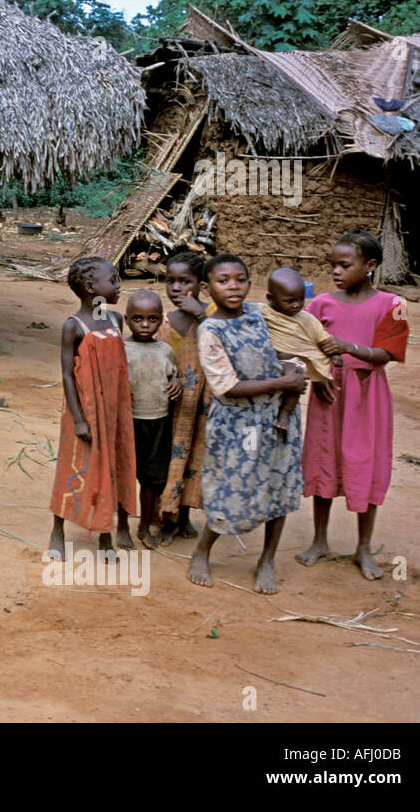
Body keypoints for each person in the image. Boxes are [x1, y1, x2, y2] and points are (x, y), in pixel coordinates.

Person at [187, 254, 307, 595]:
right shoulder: (210, 329)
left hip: (277, 420)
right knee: (230, 486)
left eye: (240, 279)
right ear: (207, 289)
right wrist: (284, 383)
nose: (234, 286)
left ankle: (267, 559)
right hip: (240, 427)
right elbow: (227, 386)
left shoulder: (260, 314)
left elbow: (290, 346)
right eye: (224, 281)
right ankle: (202, 550)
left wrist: (293, 365)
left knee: (277, 486)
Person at [296, 231, 409, 580]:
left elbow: (387, 354)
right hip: (329, 393)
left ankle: (363, 547)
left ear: (370, 265)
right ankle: (319, 540)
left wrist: (347, 347)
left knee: (366, 464)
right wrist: (319, 376)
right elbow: (306, 347)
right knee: (323, 459)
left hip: (367, 396)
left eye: (345, 265)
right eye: (333, 265)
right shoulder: (321, 305)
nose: (336, 271)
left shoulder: (392, 305)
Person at [47, 257, 137, 560]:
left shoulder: (116, 321)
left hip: (114, 411)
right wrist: (79, 419)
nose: (118, 286)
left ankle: (105, 535)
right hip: (84, 413)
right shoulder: (74, 327)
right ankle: (57, 530)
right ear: (90, 287)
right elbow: (66, 375)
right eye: (112, 280)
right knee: (76, 467)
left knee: (113, 465)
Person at [156, 250, 209, 545]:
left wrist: (201, 314)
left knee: (195, 461)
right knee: (170, 461)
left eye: (184, 281)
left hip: (203, 408)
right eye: (170, 281)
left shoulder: (210, 319)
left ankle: (184, 516)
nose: (175, 288)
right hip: (172, 409)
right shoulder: (161, 322)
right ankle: (167, 519)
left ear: (201, 284)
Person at [123, 289, 181, 548]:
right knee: (124, 476)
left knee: (153, 479)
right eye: (137, 318)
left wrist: (177, 384)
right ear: (127, 320)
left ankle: (145, 526)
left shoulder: (165, 350)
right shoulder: (120, 349)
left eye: (152, 319)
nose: (145, 324)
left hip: (158, 422)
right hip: (128, 423)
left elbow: (173, 377)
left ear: (160, 320)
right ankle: (122, 524)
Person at [264, 267, 343, 434]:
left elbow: (323, 338)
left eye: (301, 300)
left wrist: (334, 355)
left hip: (291, 359)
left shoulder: (306, 318)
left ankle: (285, 414)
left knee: (296, 378)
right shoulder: (262, 312)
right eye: (290, 301)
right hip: (268, 360)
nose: (297, 305)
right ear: (271, 298)